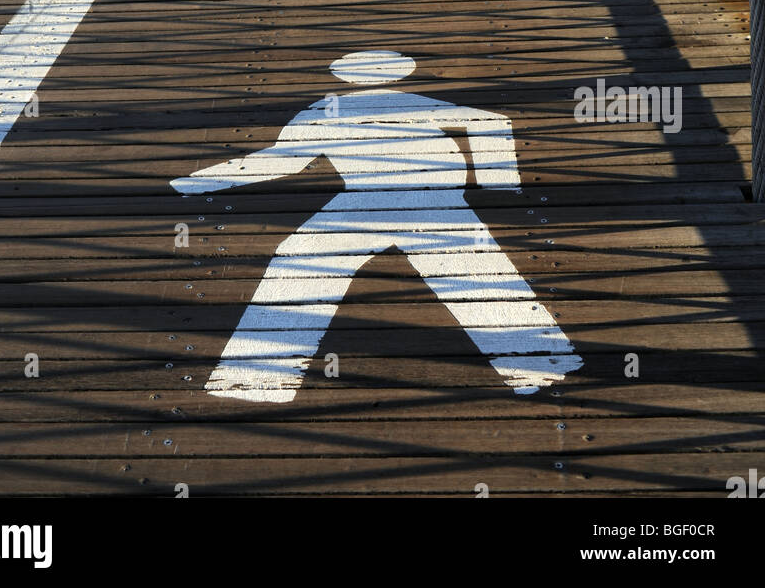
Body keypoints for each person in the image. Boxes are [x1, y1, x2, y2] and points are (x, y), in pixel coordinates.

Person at [171, 49, 583, 403]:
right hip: (420, 195)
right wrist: (499, 184)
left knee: (302, 260)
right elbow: (491, 122)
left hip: (387, 197)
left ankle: (258, 379)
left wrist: (206, 180)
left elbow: (282, 161)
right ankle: (541, 365)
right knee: (470, 269)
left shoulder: (326, 110)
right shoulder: (411, 103)